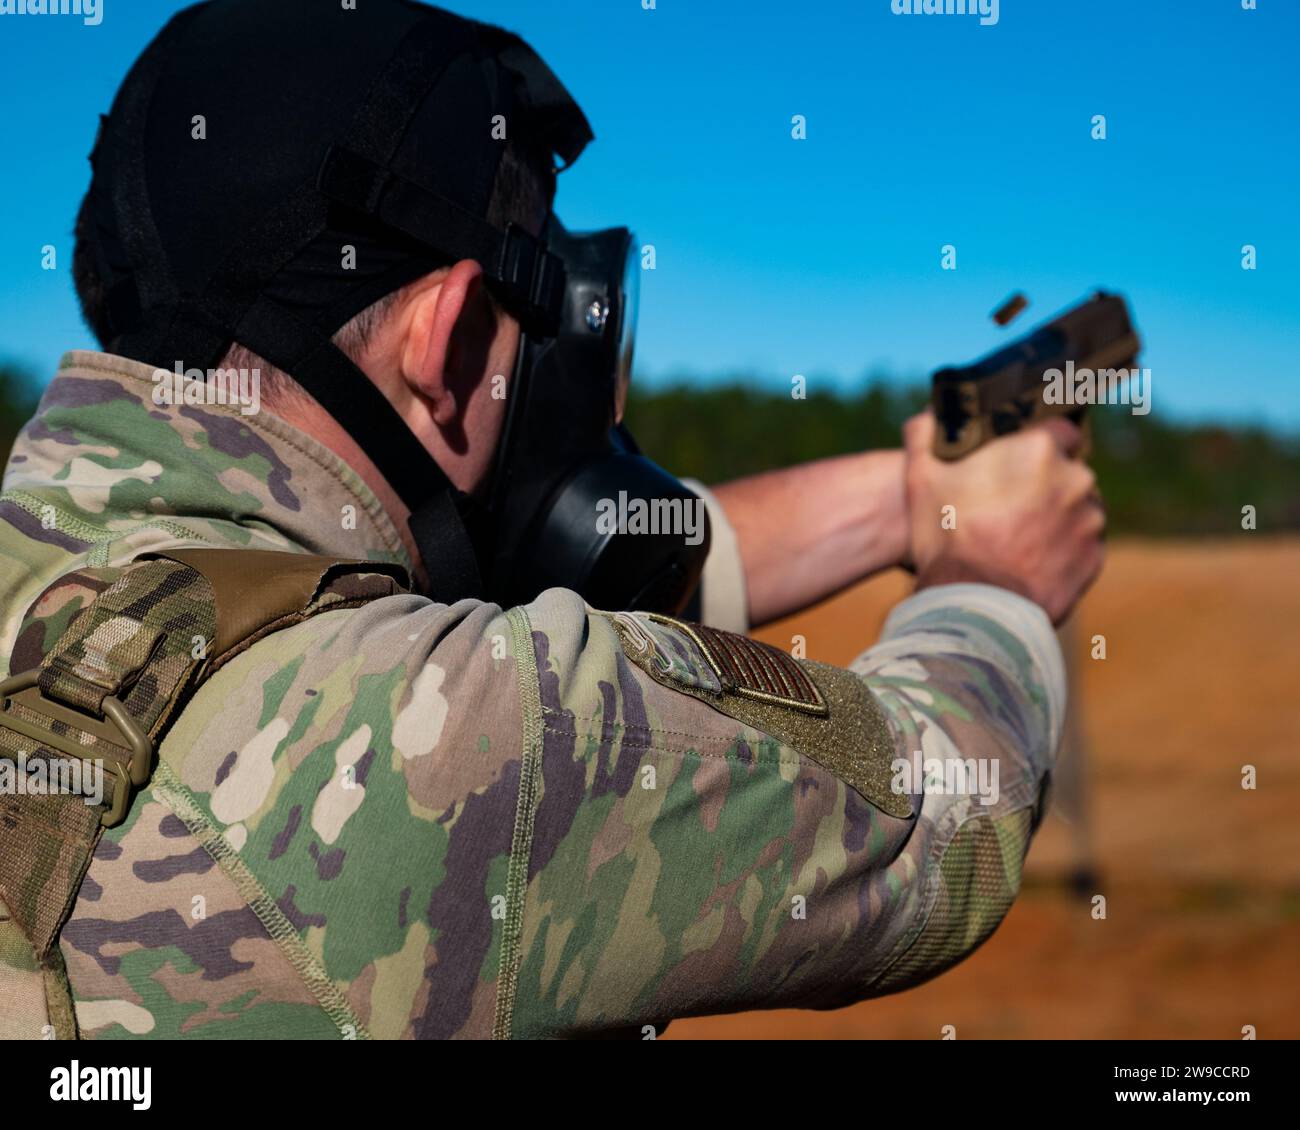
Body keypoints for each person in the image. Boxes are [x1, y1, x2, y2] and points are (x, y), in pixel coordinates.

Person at [0, 0, 1103, 1039]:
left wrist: (920, 491)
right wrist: (994, 575)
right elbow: (933, 810)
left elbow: (597, 593)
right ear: (450, 338)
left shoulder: (79, 585)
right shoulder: (449, 735)